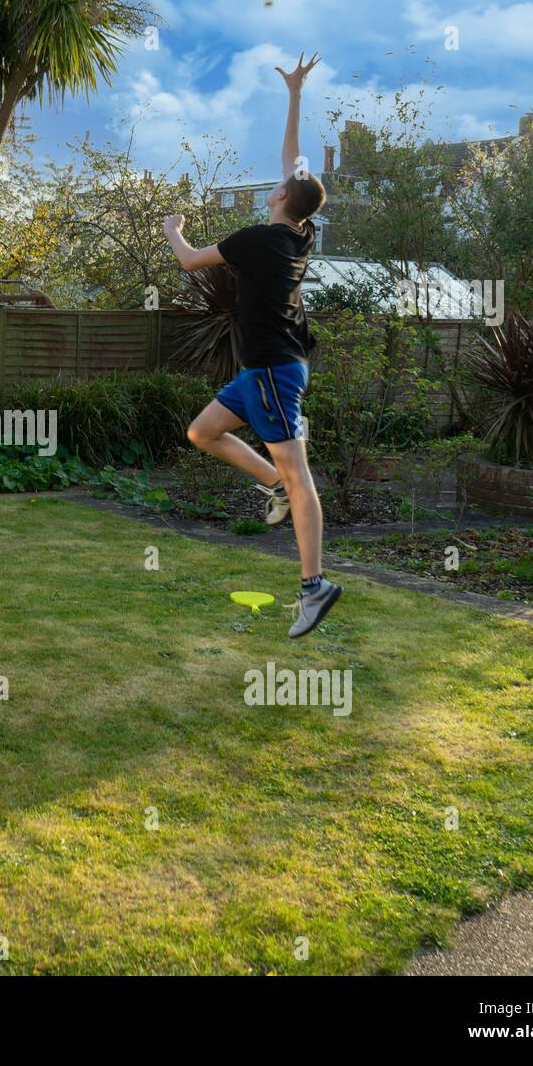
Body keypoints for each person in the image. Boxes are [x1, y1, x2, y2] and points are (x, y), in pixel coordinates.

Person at [162, 51, 340, 637]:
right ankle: (273, 486)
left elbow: (190, 262)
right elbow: (295, 160)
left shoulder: (258, 239)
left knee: (301, 476)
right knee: (202, 432)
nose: (278, 175)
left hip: (271, 370)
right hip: (268, 368)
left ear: (284, 197)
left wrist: (173, 231)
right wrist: (294, 93)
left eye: (282, 180)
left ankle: (314, 587)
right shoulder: (300, 230)